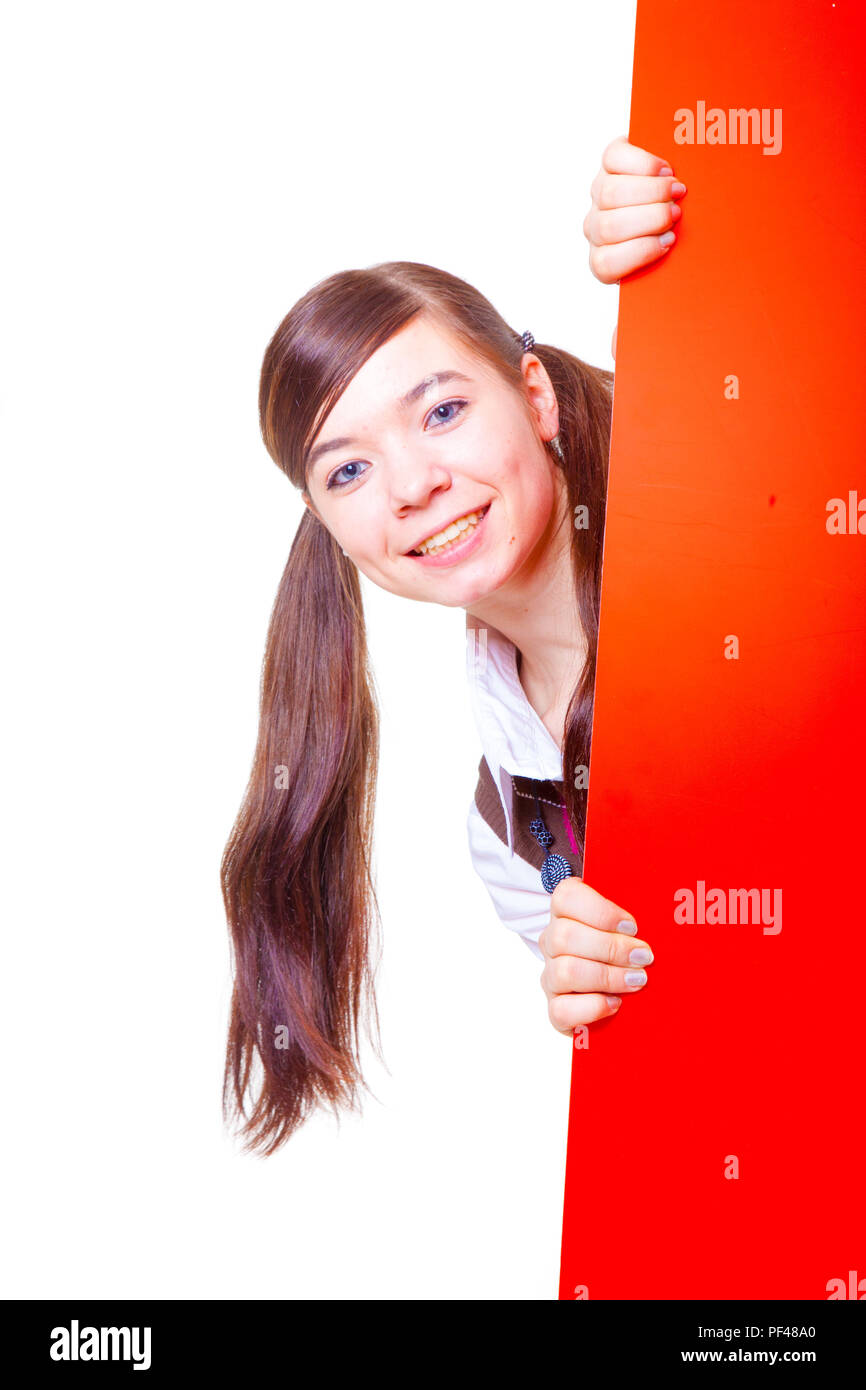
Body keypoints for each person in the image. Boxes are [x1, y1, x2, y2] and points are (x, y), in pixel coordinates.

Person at [221, 134, 687, 1155]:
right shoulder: (513, 835)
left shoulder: (718, 501)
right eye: (345, 473)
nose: (410, 484)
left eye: (440, 410)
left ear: (533, 396)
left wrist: (706, 251)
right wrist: (618, 1007)